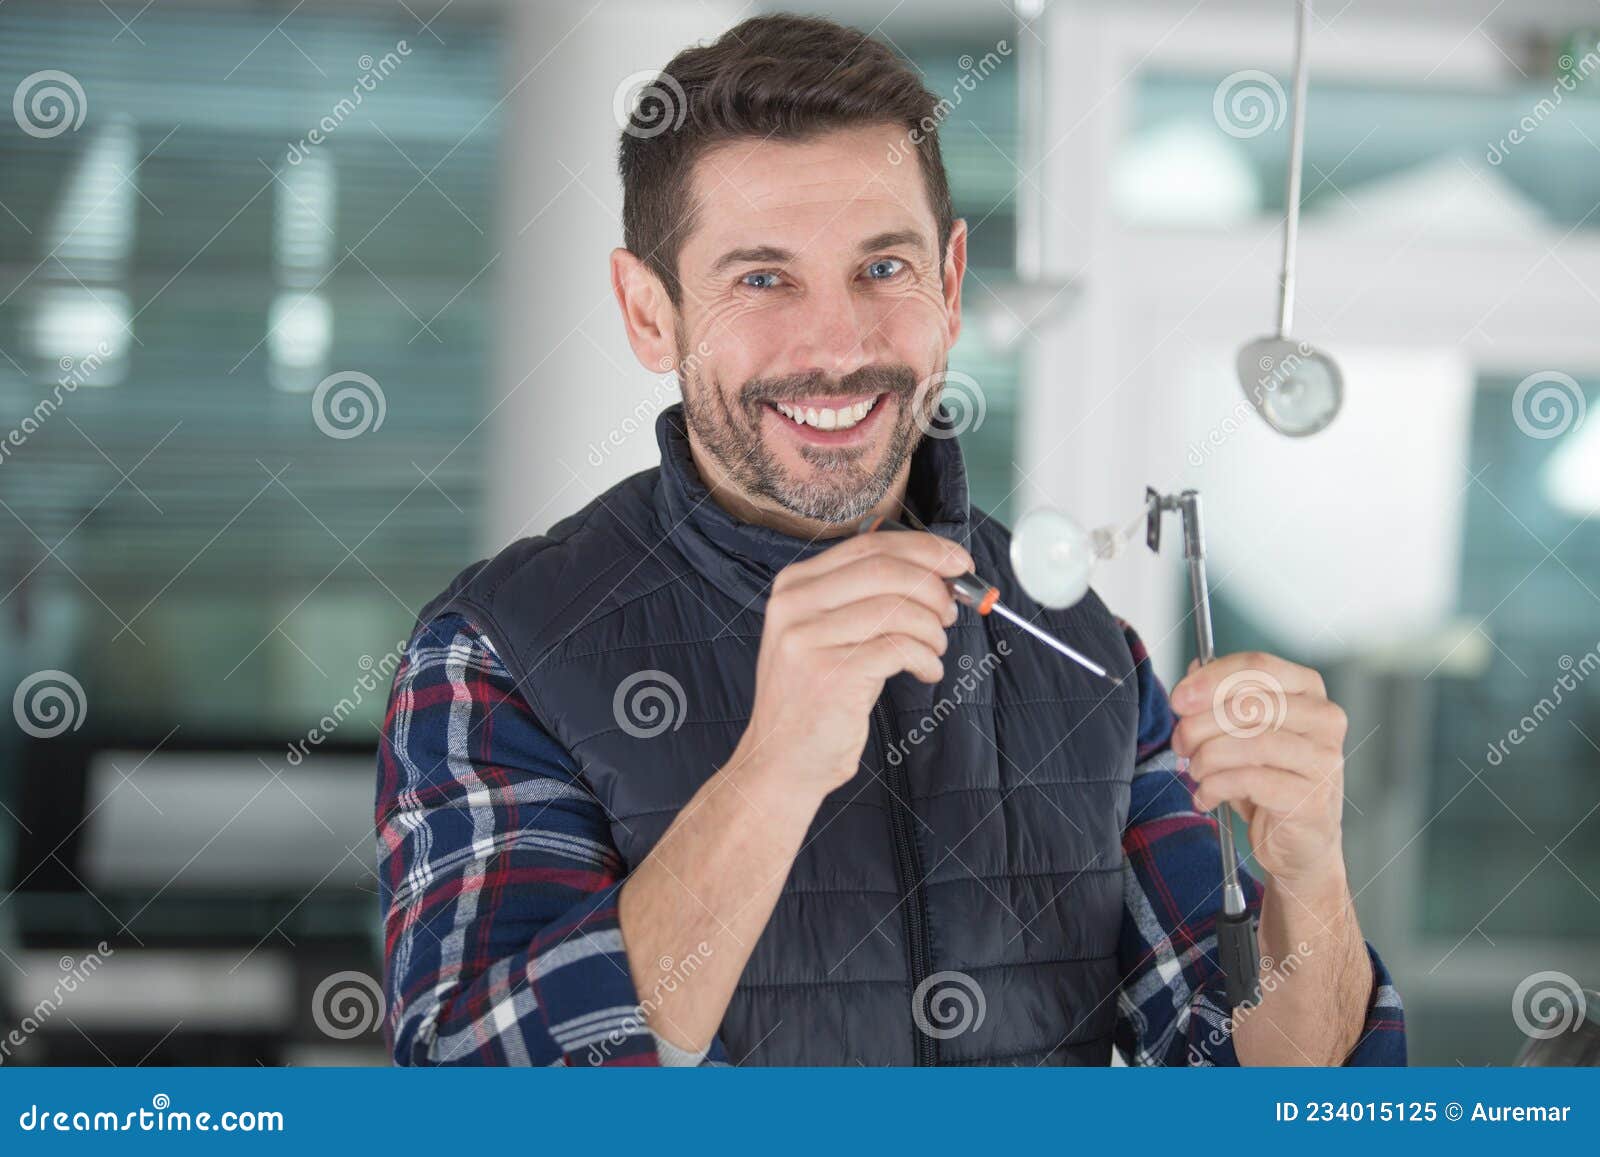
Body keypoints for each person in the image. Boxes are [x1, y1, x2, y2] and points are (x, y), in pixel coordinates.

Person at [374, 12, 1405, 1067]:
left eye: (881, 268)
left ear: (949, 286)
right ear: (651, 313)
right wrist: (772, 771)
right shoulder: (499, 653)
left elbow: (1256, 1090)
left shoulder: (1086, 650)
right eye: (762, 279)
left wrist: (1310, 873)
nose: (838, 346)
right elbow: (474, 1092)